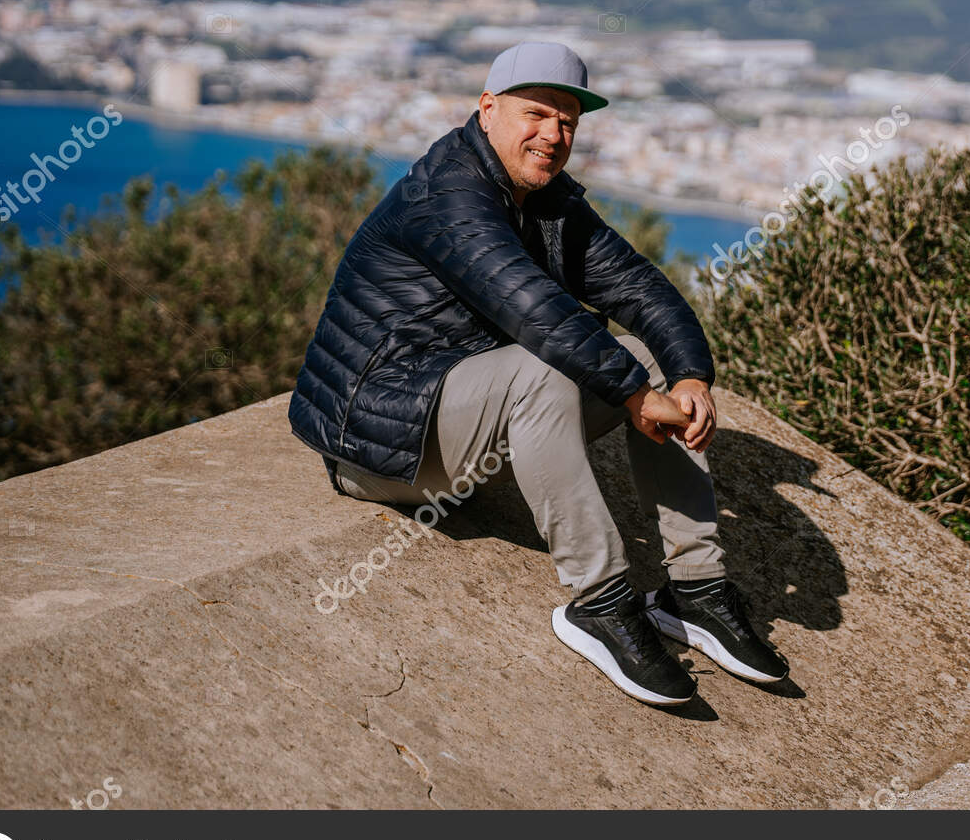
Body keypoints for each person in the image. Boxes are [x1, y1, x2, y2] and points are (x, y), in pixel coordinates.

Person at [288, 41, 787, 706]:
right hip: (379, 441)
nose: (553, 135)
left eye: (568, 121)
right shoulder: (447, 195)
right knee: (549, 367)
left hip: (462, 424)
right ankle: (601, 603)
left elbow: (640, 289)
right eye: (537, 113)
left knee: (639, 358)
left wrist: (688, 378)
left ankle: (694, 588)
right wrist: (636, 397)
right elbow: (535, 310)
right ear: (488, 109)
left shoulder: (545, 199)